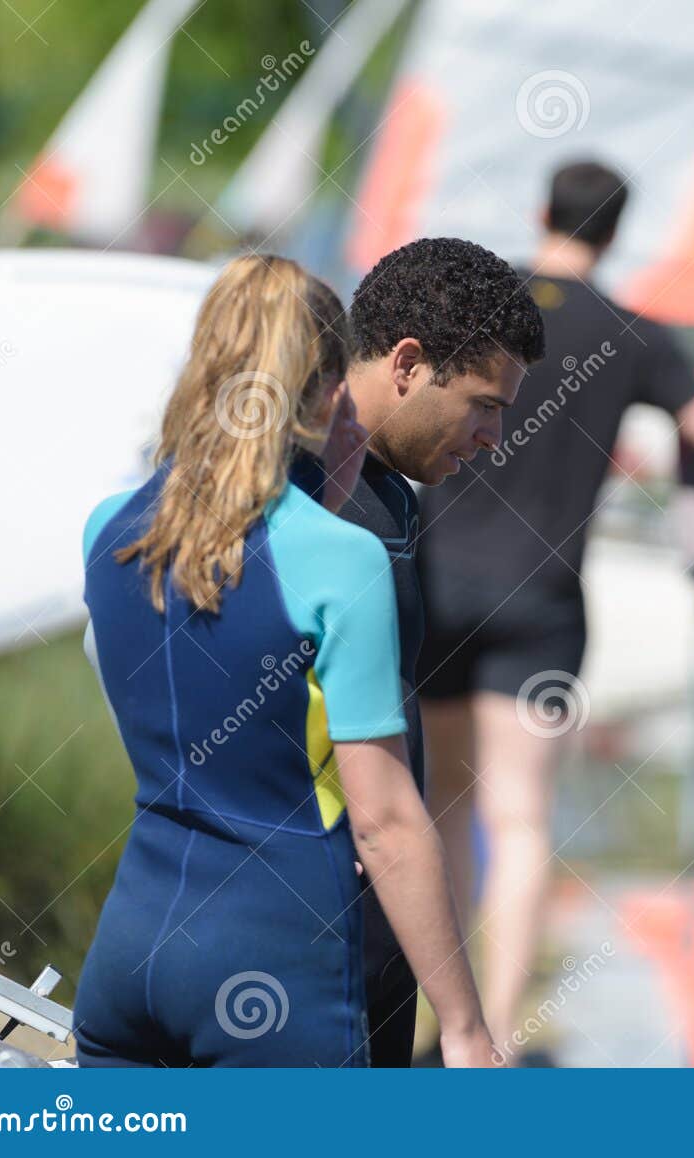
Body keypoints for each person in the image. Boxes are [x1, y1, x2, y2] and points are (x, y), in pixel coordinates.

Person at [72, 254, 496, 1067]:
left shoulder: (108, 532)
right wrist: (468, 1031)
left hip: (129, 952)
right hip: (275, 960)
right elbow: (385, 824)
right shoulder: (341, 559)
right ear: (329, 389)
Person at [416, 159, 694, 1048]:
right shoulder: (632, 334)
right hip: (543, 599)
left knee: (443, 811)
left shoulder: (473, 314)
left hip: (435, 584)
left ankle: (438, 1023)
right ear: (615, 233)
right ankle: (491, 1035)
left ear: (542, 210)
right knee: (522, 819)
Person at [326, 236, 546, 1067]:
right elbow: (377, 813)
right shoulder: (325, 509)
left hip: (353, 941)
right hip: (316, 950)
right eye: (484, 404)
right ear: (409, 363)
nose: (493, 436)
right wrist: (464, 1022)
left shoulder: (387, 497)